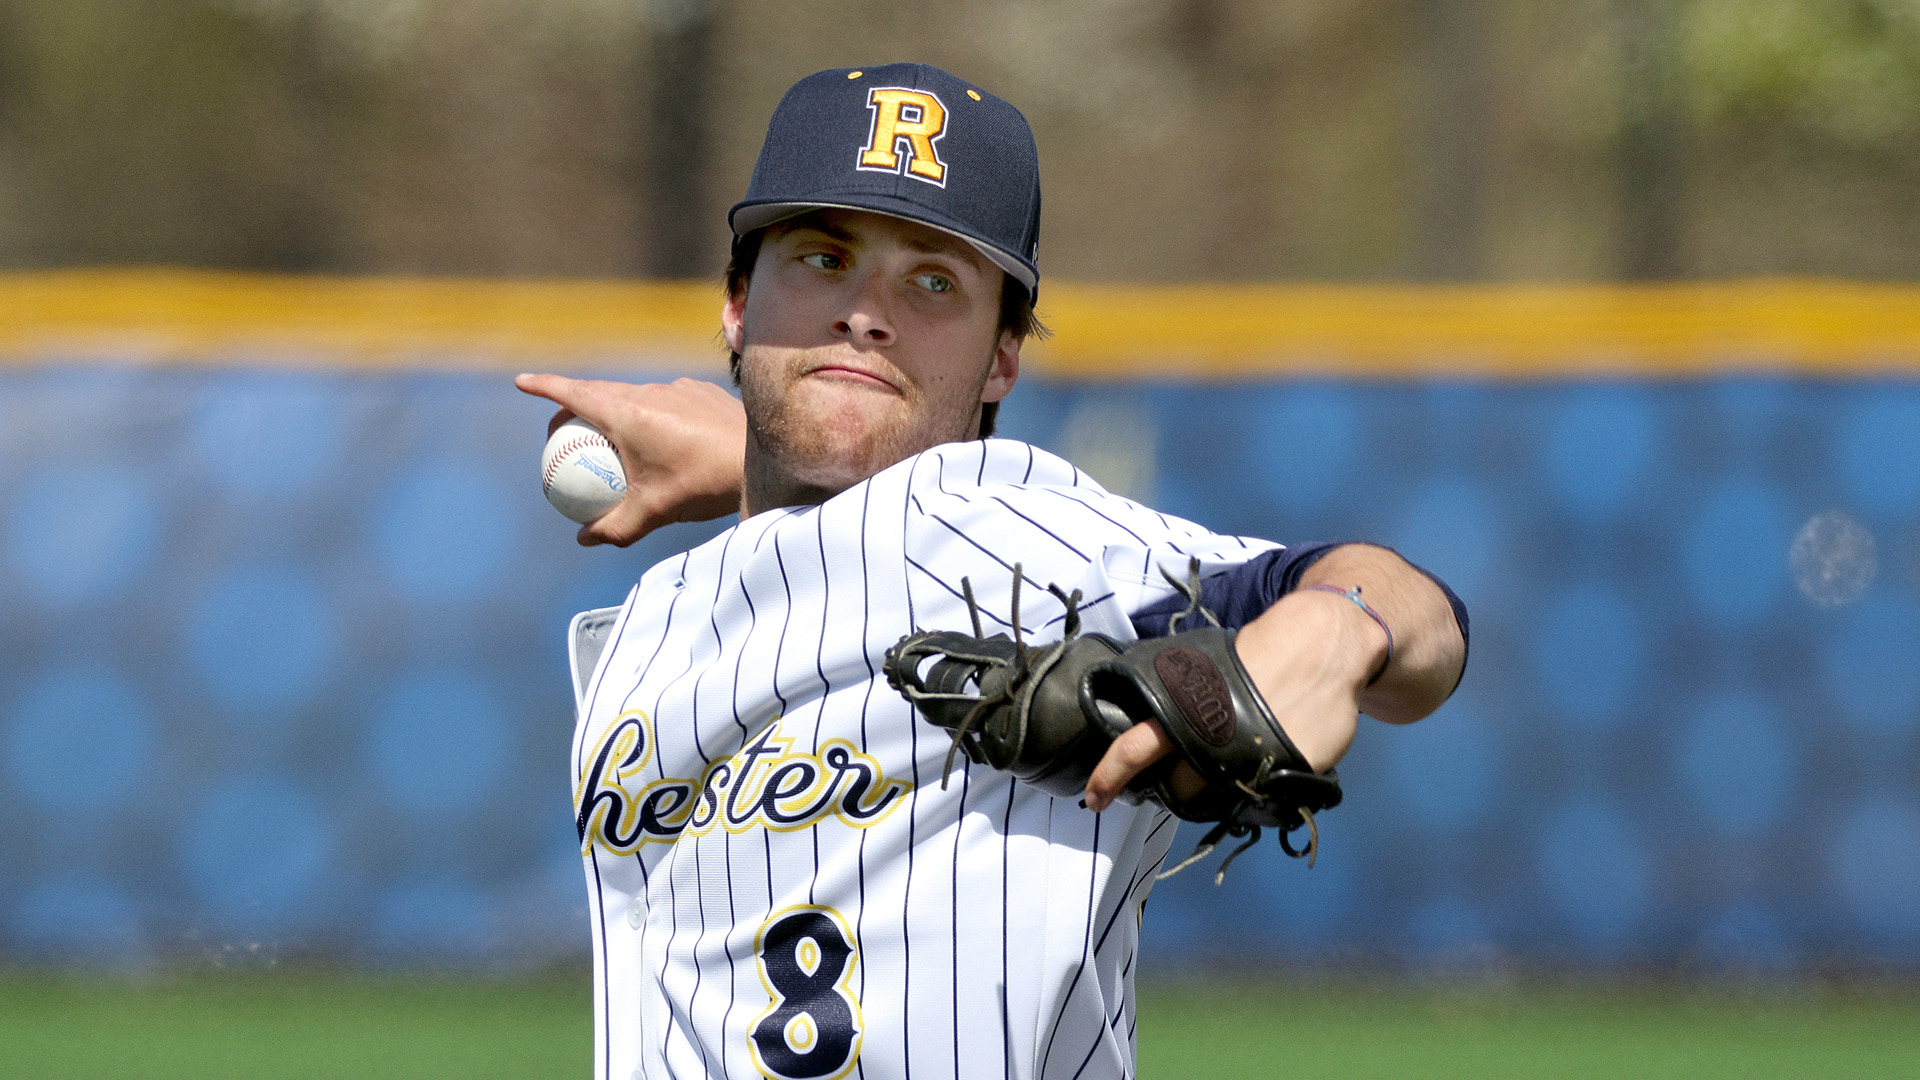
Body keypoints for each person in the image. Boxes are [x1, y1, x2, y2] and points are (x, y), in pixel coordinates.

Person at [518, 63, 1467, 1080]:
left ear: (1004, 356)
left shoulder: (1027, 540)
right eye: (823, 256)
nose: (865, 314)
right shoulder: (676, 604)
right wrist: (756, 467)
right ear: (740, 304)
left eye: (933, 282)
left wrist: (1336, 624)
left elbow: (1420, 625)